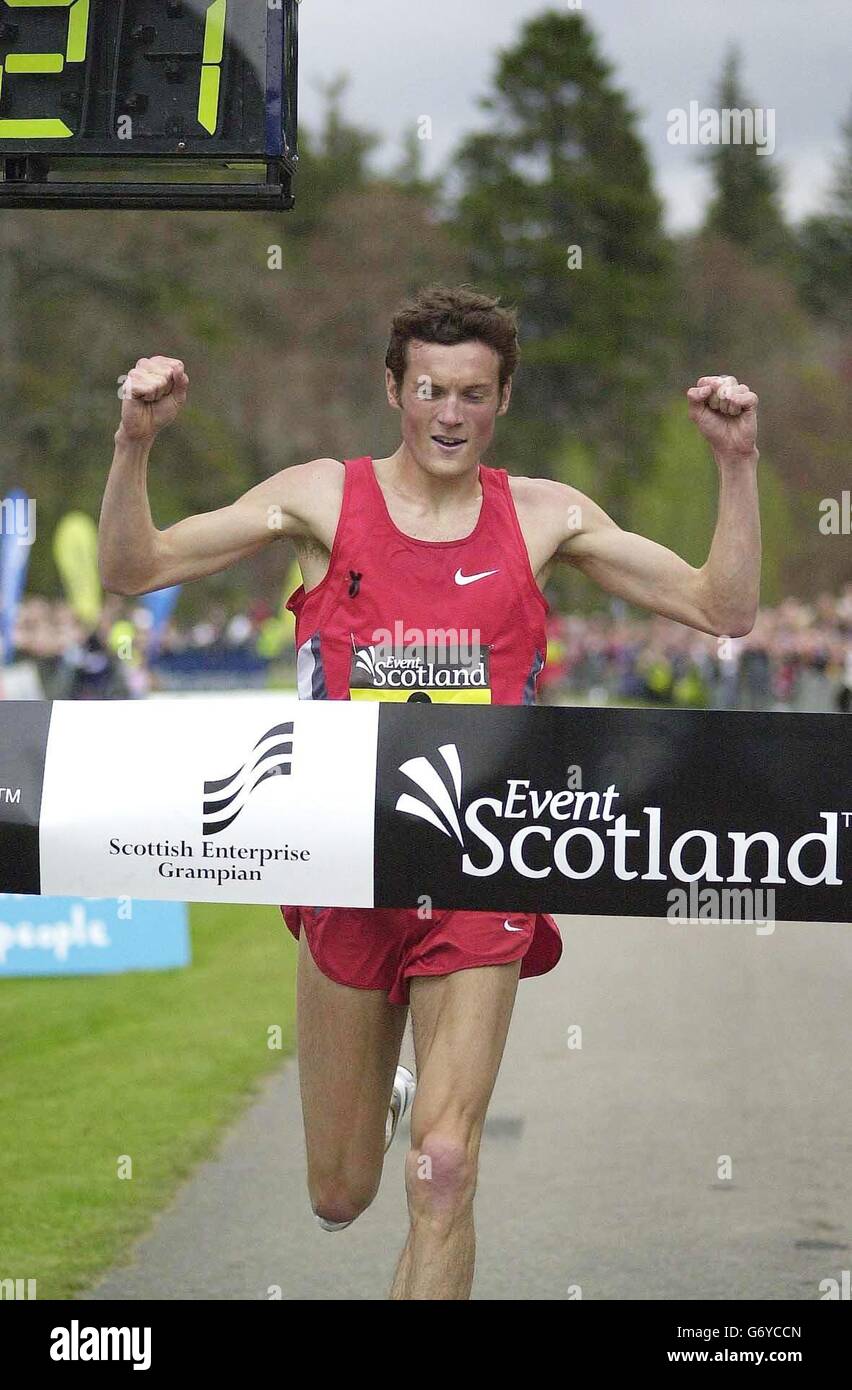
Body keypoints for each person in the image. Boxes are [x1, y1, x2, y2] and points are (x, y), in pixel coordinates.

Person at [98, 284, 761, 1300]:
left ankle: (435, 1128)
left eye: (473, 394)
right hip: (343, 863)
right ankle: (392, 1086)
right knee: (339, 1191)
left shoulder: (543, 516)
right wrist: (135, 441)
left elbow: (722, 605)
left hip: (481, 864)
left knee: (445, 1169)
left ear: (502, 403)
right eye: (430, 390)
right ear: (395, 391)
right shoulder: (321, 498)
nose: (450, 413)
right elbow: (132, 568)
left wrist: (737, 464)